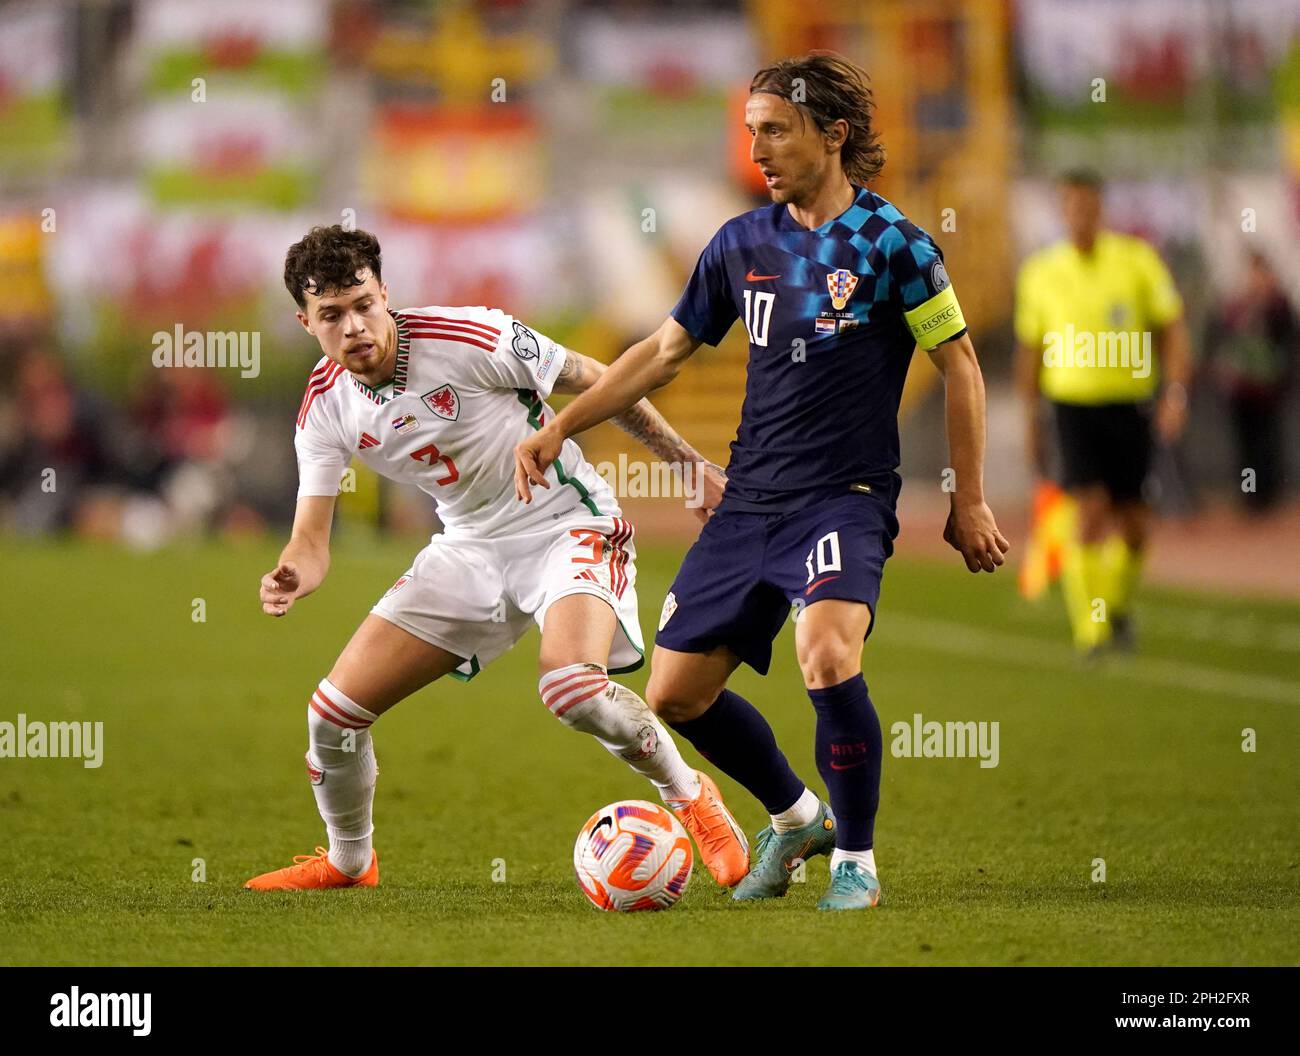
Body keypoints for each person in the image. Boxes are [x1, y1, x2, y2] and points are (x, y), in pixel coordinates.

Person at [515, 52, 1008, 911]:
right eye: (752, 133)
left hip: (842, 499)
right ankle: (795, 816)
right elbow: (663, 352)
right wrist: (562, 422)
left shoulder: (896, 246)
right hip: (749, 502)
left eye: (775, 131)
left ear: (834, 134)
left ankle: (856, 860)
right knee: (673, 694)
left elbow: (959, 366)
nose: (759, 151)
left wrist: (968, 497)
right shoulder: (741, 243)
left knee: (826, 654)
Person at [244, 225, 748, 892]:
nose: (355, 327)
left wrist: (687, 467)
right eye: (332, 315)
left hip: (567, 525)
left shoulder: (470, 336)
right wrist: (292, 573)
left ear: (385, 294)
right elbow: (310, 541)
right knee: (331, 716)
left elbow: (597, 378)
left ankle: (689, 797)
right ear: (306, 321)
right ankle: (349, 861)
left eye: (364, 304)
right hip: (468, 548)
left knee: (570, 687)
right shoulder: (323, 407)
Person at [1014, 169, 1191, 656]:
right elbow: (1030, 351)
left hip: (1132, 406)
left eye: (1088, 206)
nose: (1080, 216)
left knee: (1134, 524)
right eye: (1070, 207)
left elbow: (1172, 328)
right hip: (1073, 407)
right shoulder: (1041, 272)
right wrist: (1030, 417)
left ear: (1101, 209)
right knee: (1089, 511)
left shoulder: (1136, 262)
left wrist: (1175, 393)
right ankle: (1091, 631)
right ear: (1060, 211)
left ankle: (1113, 606)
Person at [1206, 249, 1296, 512]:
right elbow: (1220, 339)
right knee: (1246, 442)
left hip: (1269, 388)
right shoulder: (1235, 306)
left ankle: (1269, 493)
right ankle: (1250, 494)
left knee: (1268, 440)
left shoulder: (1278, 305)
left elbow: (1287, 342)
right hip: (1240, 389)